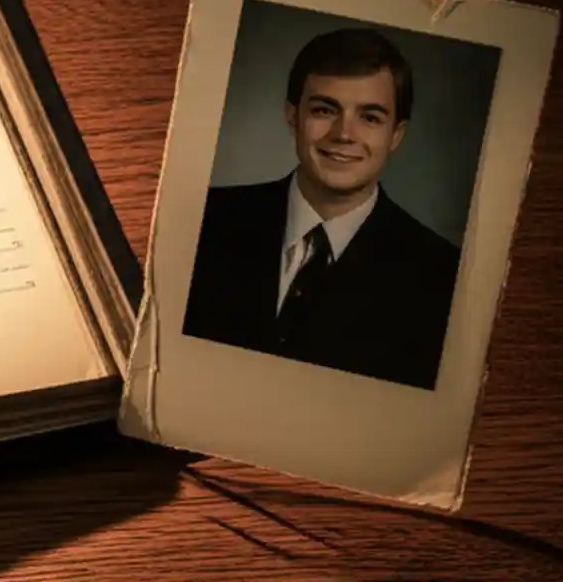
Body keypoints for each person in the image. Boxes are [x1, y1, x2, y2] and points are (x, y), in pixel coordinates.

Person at [180, 27, 460, 390]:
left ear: (396, 135)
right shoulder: (204, 219)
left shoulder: (443, 277)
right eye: (325, 109)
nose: (344, 133)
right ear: (292, 116)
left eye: (370, 117)